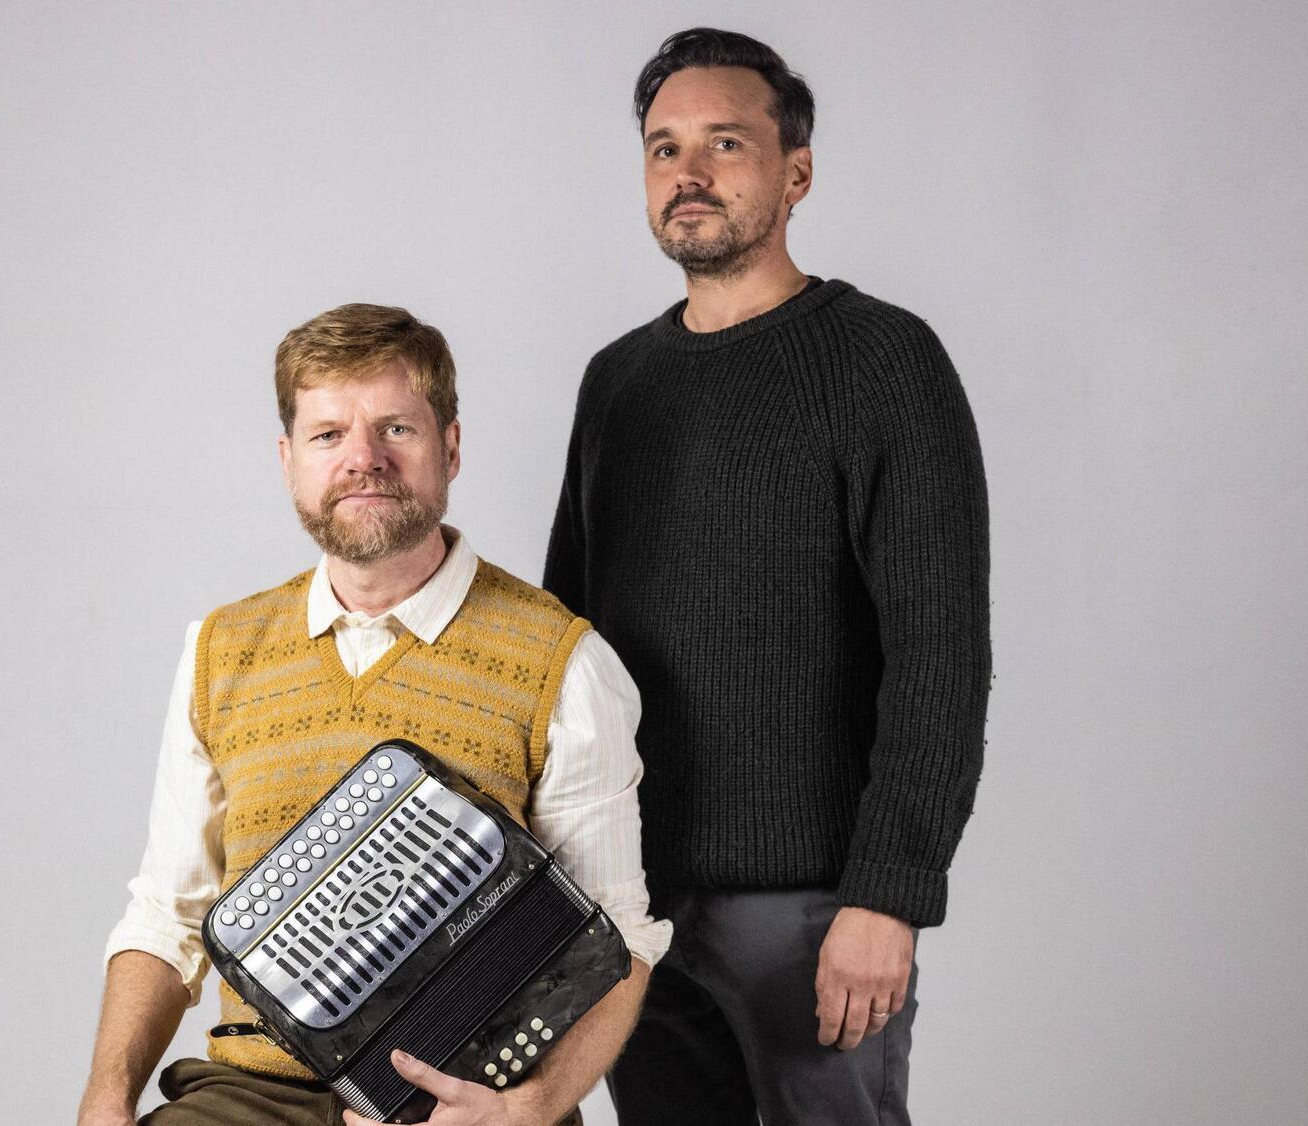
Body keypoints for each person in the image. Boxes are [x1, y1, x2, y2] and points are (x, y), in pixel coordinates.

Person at [543, 28, 992, 1126]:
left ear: (794, 172)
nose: (686, 173)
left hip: (810, 907)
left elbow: (939, 655)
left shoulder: (882, 361)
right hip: (628, 903)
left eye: (724, 143)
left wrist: (888, 893)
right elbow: (560, 648)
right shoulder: (618, 384)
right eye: (661, 149)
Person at [80, 304, 668, 1126]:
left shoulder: (562, 660)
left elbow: (618, 939)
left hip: (466, 1096)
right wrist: (104, 1102)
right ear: (288, 461)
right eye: (328, 437)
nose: (364, 460)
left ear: (451, 449)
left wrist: (526, 1111)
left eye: (395, 428)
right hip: (254, 1095)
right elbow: (167, 915)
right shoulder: (221, 650)